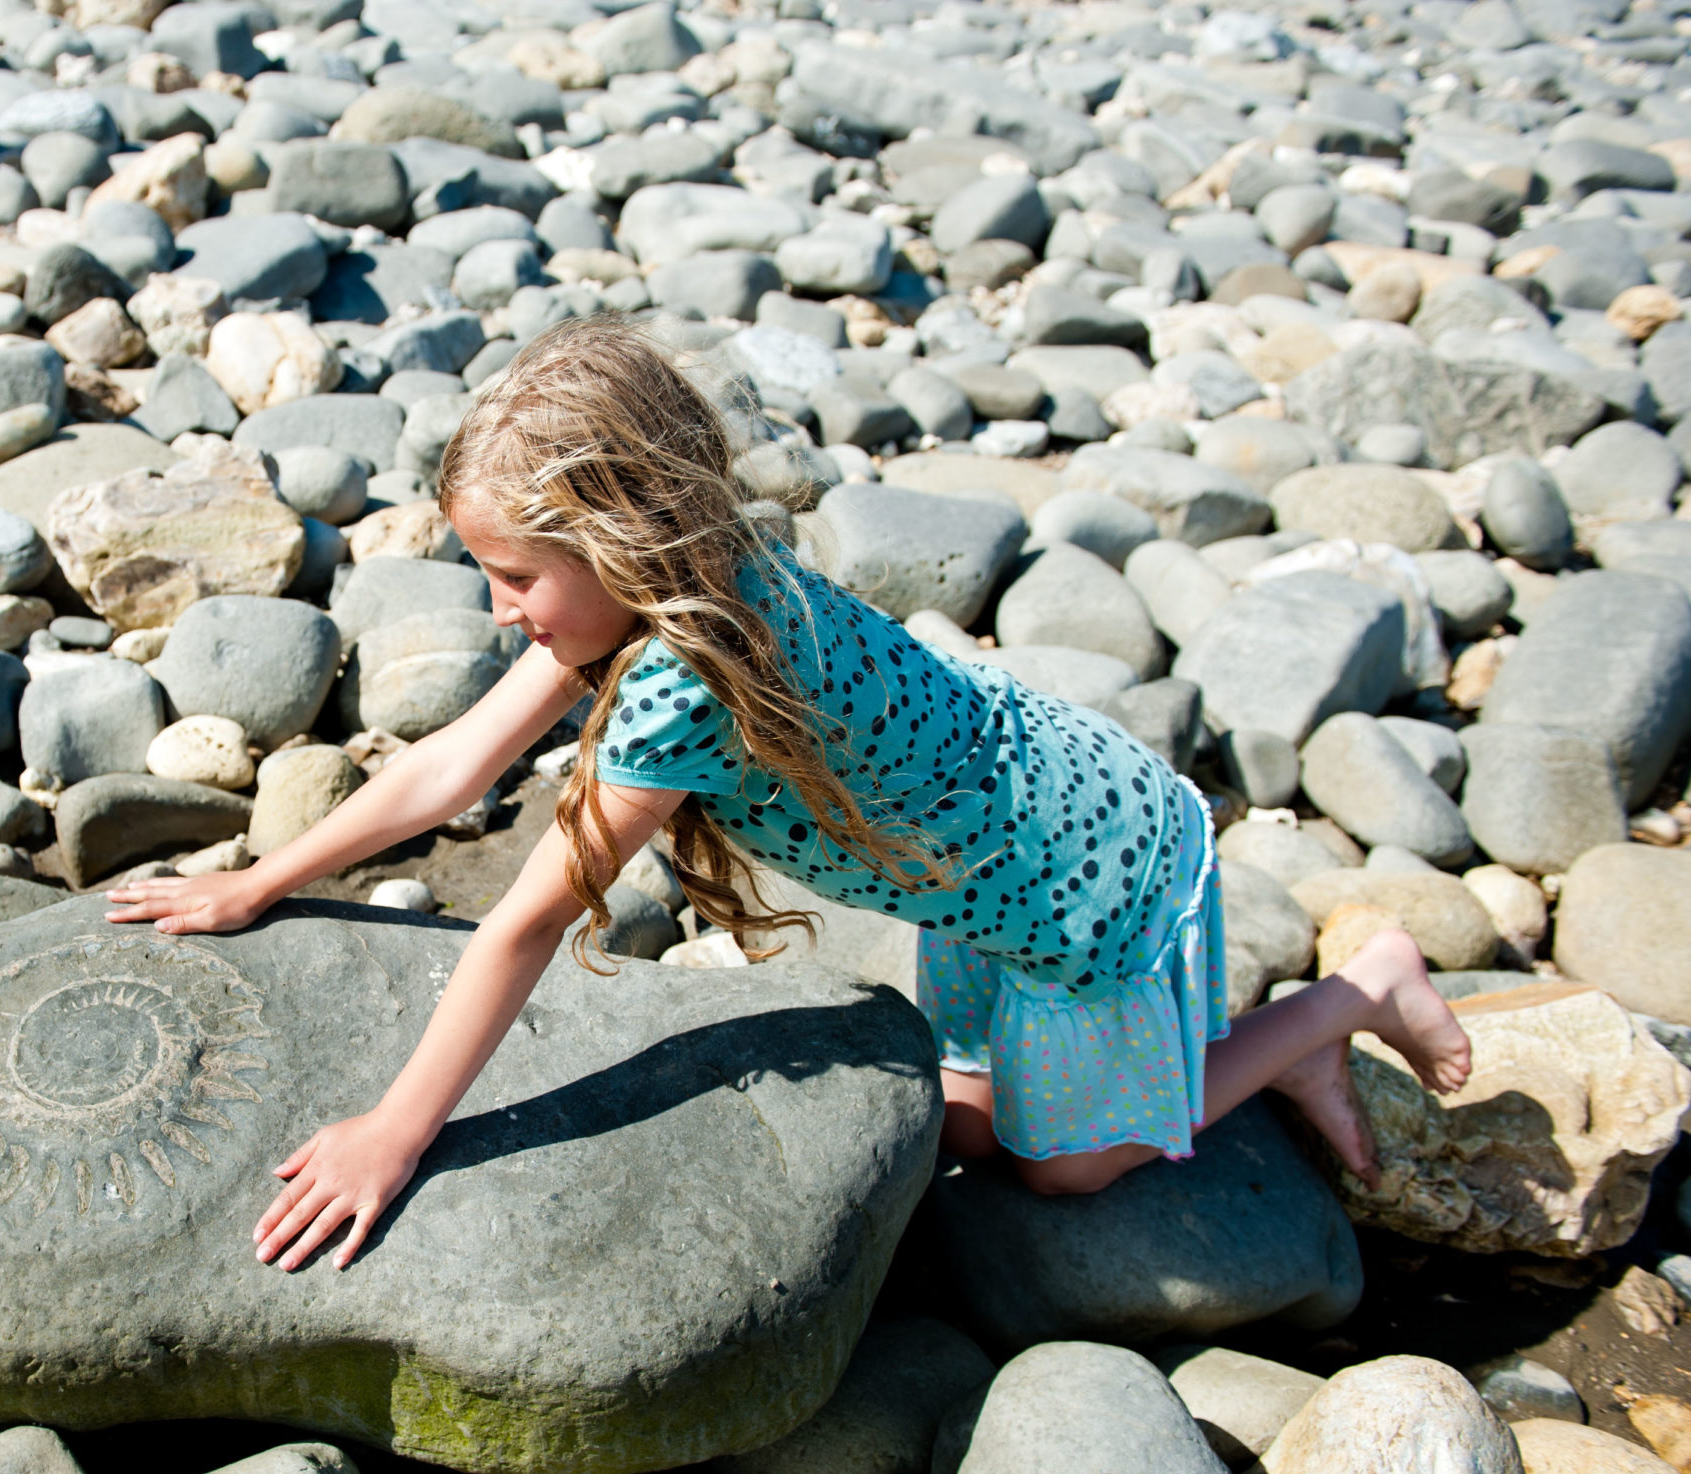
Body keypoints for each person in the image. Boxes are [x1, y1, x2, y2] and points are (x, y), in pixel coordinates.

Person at [102, 314, 1472, 1274]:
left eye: (520, 576)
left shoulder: (684, 669)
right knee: (969, 1117)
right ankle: (1251, 1048)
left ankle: (1338, 1006)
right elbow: (452, 764)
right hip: (993, 871)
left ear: (620, 534)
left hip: (1081, 882)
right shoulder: (660, 593)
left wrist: (395, 1137)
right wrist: (259, 880)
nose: (504, 609)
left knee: (1063, 1170)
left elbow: (523, 922)